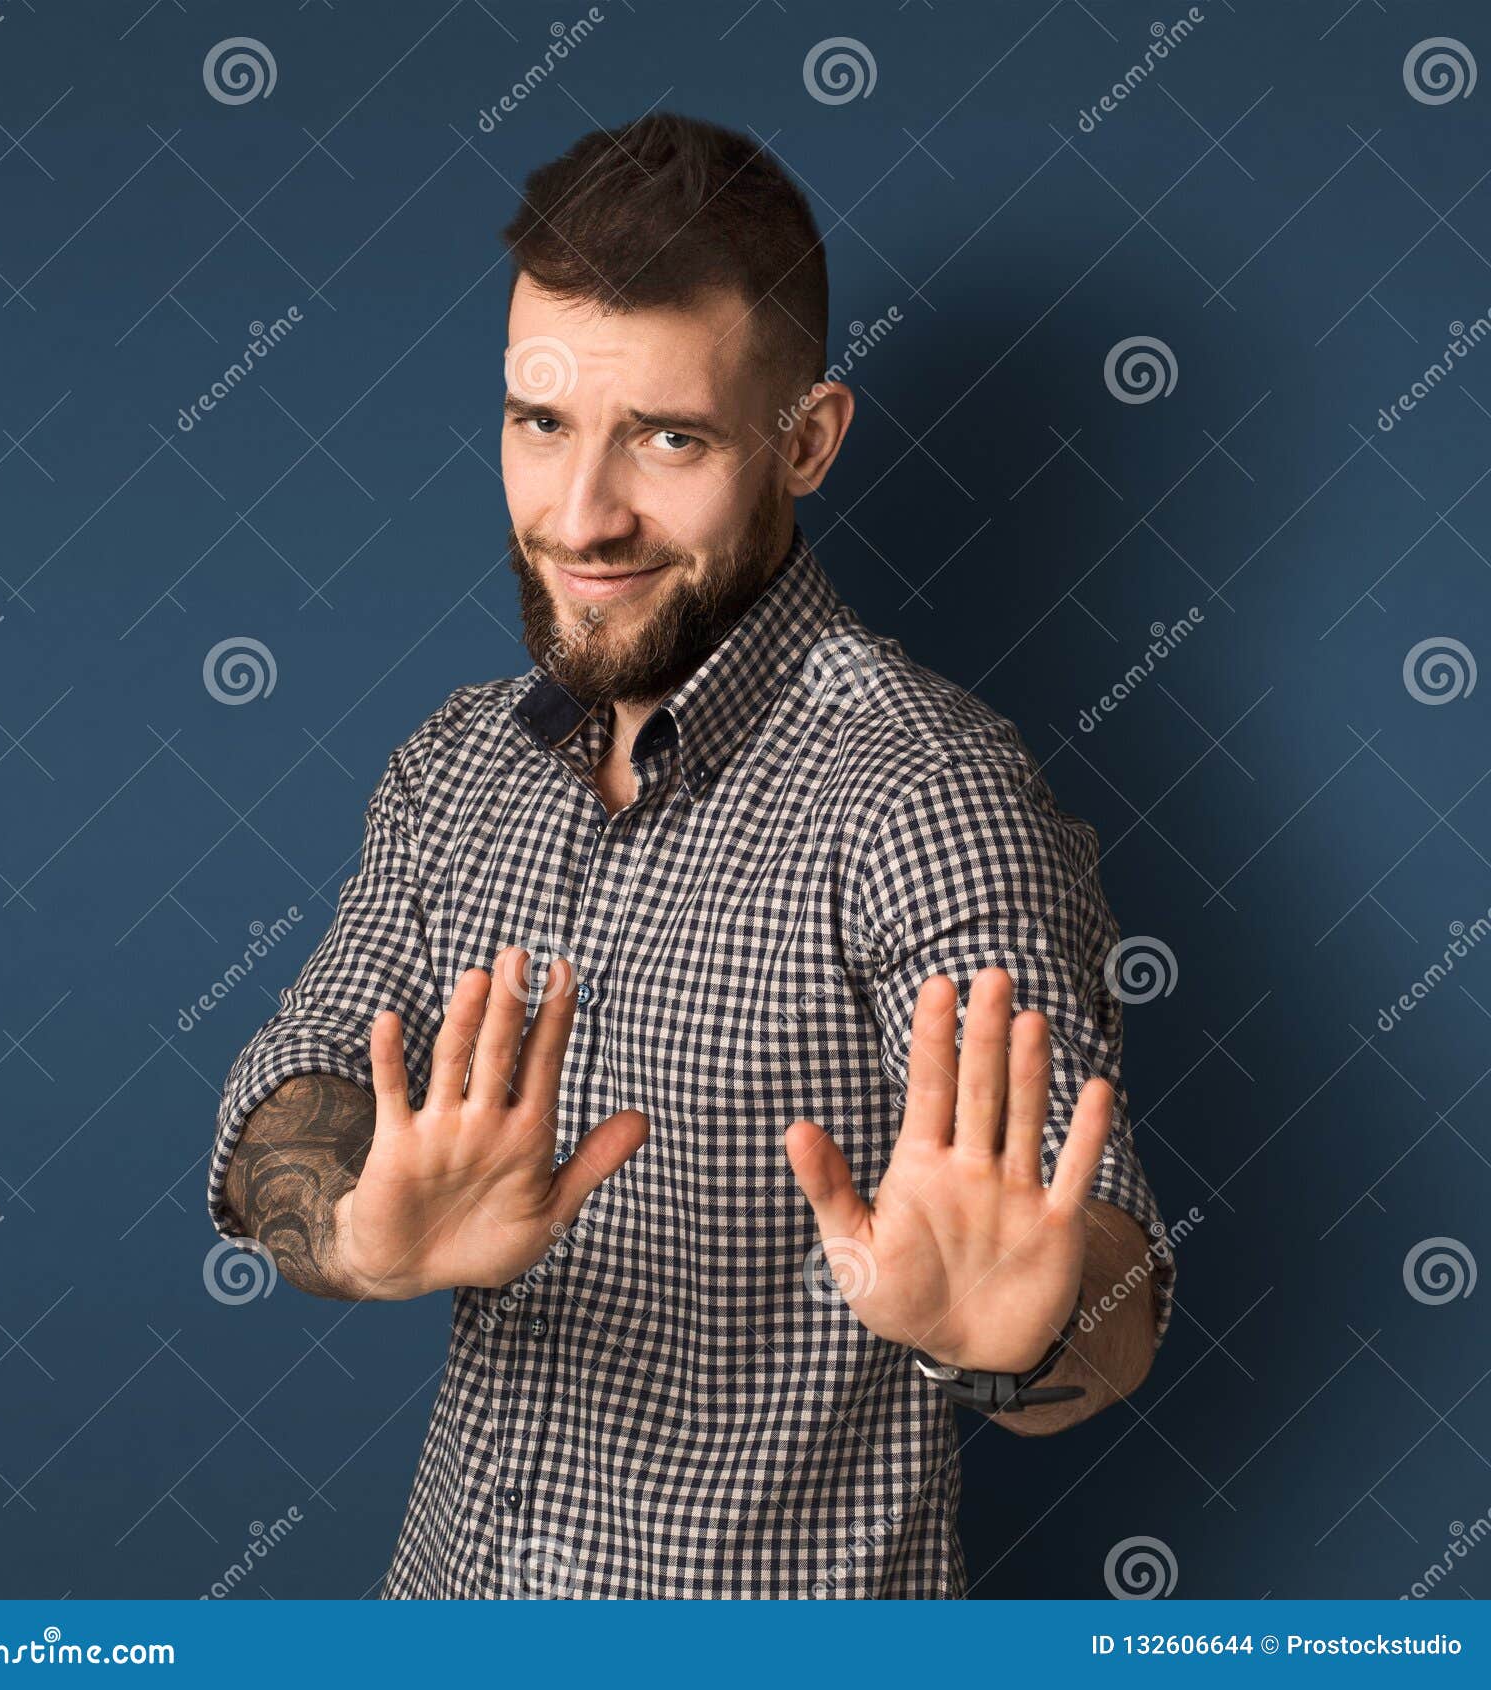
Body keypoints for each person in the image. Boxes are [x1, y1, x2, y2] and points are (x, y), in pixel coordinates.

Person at [208, 112, 1174, 1600]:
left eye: (668, 437)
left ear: (807, 438)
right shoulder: (459, 762)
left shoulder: (922, 789)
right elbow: (305, 1069)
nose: (582, 517)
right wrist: (352, 1220)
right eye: (542, 423)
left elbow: (1104, 1272)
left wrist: (1025, 1327)